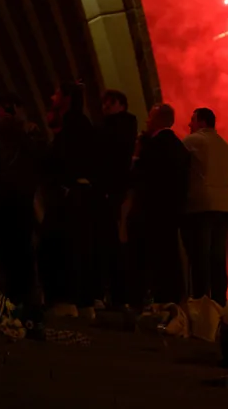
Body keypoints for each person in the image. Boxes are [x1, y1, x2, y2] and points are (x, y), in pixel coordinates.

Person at [40, 81, 97, 319]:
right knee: (78, 247)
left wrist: (62, 183)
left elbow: (63, 159)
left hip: (68, 195)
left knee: (59, 246)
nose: (53, 96)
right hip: (79, 194)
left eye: (57, 93)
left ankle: (63, 300)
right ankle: (83, 301)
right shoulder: (83, 123)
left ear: (66, 98)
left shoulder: (72, 126)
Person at [124, 104, 190, 307]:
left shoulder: (151, 146)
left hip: (149, 211)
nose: (147, 120)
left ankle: (140, 300)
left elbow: (137, 176)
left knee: (144, 256)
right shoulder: (181, 148)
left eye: (150, 116)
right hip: (172, 211)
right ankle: (170, 299)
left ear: (159, 119)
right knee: (169, 255)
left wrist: (135, 156)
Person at [0, 95, 44, 304]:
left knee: (22, 251)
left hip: (21, 202)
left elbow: (39, 160)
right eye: (5, 109)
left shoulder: (29, 136)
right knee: (3, 250)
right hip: (1, 201)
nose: (8, 114)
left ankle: (23, 297)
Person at [182, 108, 228, 304]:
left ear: (202, 122)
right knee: (218, 259)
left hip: (201, 206)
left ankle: (200, 303)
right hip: (224, 208)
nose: (189, 125)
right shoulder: (225, 145)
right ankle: (219, 303)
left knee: (200, 257)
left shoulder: (193, 141)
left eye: (192, 120)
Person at [95, 90, 138, 308]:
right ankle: (119, 295)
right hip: (118, 190)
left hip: (110, 190)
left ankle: (113, 293)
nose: (105, 108)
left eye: (109, 103)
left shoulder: (112, 128)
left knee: (108, 240)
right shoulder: (128, 127)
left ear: (120, 104)